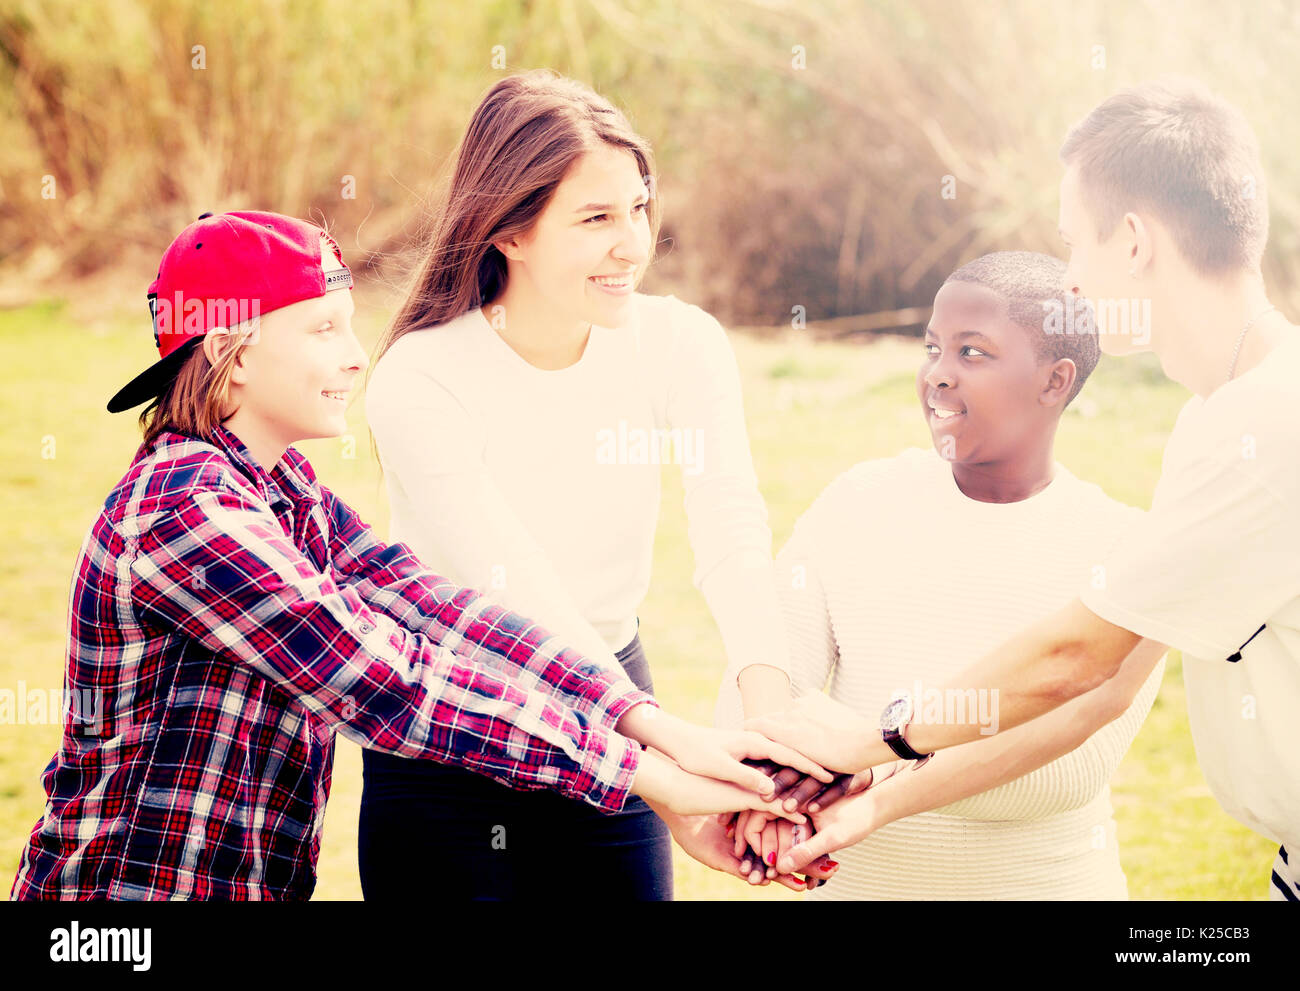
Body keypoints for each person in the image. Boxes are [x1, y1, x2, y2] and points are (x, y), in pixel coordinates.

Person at [9, 210, 820, 901]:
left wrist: (652, 726)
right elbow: (393, 682)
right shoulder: (188, 512)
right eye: (325, 328)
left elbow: (435, 609)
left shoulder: (283, 490)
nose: (359, 354)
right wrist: (649, 777)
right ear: (236, 351)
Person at [752, 79, 1300, 902]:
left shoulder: (1264, 428)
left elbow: (1076, 658)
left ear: (1134, 240)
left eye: (1076, 243)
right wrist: (877, 804)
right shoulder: (1220, 421)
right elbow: (1102, 686)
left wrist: (874, 737)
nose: (1071, 278)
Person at [359, 69, 830, 900]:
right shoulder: (421, 378)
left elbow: (729, 525)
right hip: (450, 734)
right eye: (597, 219)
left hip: (614, 693)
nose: (633, 244)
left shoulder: (680, 343)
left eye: (640, 208)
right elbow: (513, 584)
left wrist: (768, 727)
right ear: (508, 231)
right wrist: (667, 755)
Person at [715, 251, 1167, 897]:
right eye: (932, 348)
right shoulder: (857, 499)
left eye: (972, 353)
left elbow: (1064, 767)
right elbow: (761, 685)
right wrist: (775, 788)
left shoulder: (1123, 544)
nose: (938, 375)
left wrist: (864, 764)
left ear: (1054, 380)